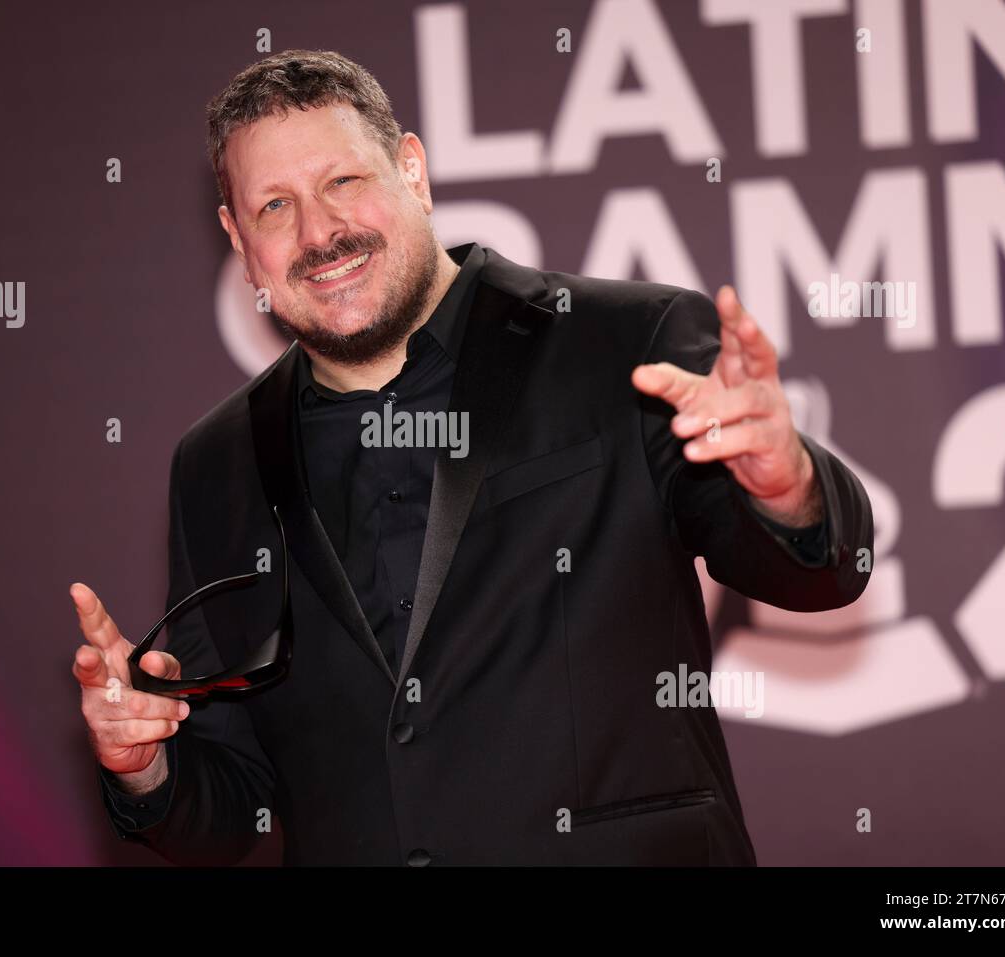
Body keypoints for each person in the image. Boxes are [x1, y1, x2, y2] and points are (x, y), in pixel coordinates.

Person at [70, 50, 873, 866]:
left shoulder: (624, 345)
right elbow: (230, 813)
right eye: (275, 206)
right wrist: (148, 765)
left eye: (343, 182)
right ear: (239, 240)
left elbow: (822, 575)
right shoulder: (215, 463)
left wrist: (788, 485)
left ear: (412, 172)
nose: (319, 233)